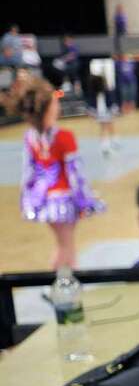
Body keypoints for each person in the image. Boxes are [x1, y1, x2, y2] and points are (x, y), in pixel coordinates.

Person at [11, 78, 105, 269]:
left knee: (64, 244)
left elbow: (29, 172)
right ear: (48, 108)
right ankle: (60, 281)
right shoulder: (64, 137)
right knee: (66, 246)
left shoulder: (30, 137)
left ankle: (68, 279)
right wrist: (84, 200)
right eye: (55, 102)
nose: (58, 105)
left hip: (45, 198)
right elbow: (75, 174)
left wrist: (28, 198)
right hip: (64, 199)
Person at [87, 73, 119, 156]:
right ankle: (106, 146)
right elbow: (111, 102)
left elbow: (90, 105)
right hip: (104, 113)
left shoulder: (101, 92)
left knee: (106, 127)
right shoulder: (101, 92)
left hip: (102, 113)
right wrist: (114, 111)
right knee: (106, 127)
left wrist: (91, 113)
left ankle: (111, 143)